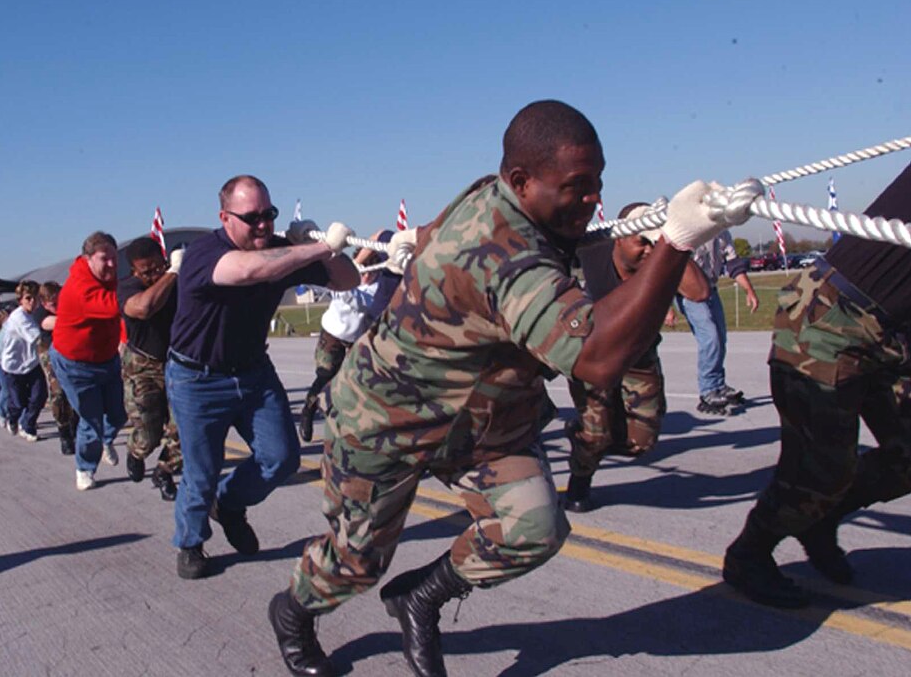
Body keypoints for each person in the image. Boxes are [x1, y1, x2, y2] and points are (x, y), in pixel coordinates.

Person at [268, 100, 757, 677]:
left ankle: (420, 599)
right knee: (354, 565)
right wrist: (676, 241)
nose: (593, 200)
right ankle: (292, 612)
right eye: (577, 187)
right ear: (522, 181)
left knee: (533, 529)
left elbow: (441, 231)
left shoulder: (494, 191)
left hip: (481, 423)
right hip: (386, 422)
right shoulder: (507, 257)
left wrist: (417, 242)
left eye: (598, 183)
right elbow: (597, 358)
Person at [722, 162, 911, 609]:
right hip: (830, 315)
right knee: (820, 469)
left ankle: (820, 518)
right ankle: (749, 554)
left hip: (893, 330)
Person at [168, 175, 359, 580]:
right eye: (251, 217)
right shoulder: (205, 253)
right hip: (197, 379)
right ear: (225, 217)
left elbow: (349, 281)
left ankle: (229, 504)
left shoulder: (280, 251)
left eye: (268, 214)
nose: (263, 225)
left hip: (253, 372)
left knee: (282, 458)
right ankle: (190, 542)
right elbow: (247, 271)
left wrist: (324, 251)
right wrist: (320, 246)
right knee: (202, 470)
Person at [563, 203, 710, 512]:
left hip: (639, 357)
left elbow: (699, 292)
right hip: (594, 355)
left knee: (641, 443)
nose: (648, 250)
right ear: (620, 238)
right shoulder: (594, 247)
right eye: (641, 241)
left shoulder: (661, 261)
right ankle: (580, 478)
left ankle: (589, 438)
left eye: (653, 242)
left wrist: (672, 241)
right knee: (595, 435)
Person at [298, 230, 402, 442]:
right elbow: (337, 287)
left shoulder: (376, 288)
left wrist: (346, 283)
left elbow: (362, 302)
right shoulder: (348, 276)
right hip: (333, 333)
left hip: (356, 338)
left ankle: (347, 424)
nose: (365, 277)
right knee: (325, 375)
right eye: (363, 272)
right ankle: (308, 410)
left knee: (355, 382)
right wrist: (350, 270)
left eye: (370, 273)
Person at [49, 231, 129, 491]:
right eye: (104, 258)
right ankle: (85, 468)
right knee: (91, 421)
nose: (112, 264)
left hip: (106, 359)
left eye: (114, 258)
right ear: (88, 259)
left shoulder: (105, 276)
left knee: (118, 415)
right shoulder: (79, 287)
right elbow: (117, 305)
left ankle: (105, 441)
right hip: (76, 365)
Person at [118, 237, 185, 501]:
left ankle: (165, 471)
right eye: (147, 272)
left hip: (176, 364)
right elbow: (145, 307)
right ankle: (136, 452)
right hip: (142, 367)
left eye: (159, 267)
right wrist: (172, 273)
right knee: (149, 434)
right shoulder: (128, 287)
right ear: (134, 272)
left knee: (184, 428)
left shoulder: (175, 280)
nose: (155, 275)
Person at [675, 230, 759, 414]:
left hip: (711, 290)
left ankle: (718, 385)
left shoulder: (722, 233)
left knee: (720, 338)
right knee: (710, 338)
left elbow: (734, 265)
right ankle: (708, 389)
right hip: (689, 295)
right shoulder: (688, 231)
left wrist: (749, 290)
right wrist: (667, 308)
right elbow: (669, 269)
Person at [37, 281, 80, 455]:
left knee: (77, 391)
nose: (58, 306)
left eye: (60, 301)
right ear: (44, 303)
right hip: (50, 352)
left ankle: (76, 426)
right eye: (53, 304)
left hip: (72, 352)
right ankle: (64, 432)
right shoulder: (41, 313)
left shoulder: (69, 307)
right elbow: (50, 323)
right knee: (59, 393)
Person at [1, 281, 47, 441]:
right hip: (14, 366)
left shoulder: (33, 315)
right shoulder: (19, 317)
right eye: (28, 298)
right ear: (20, 300)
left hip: (31, 364)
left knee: (39, 396)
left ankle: (28, 425)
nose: (32, 302)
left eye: (35, 298)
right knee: (18, 402)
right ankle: (12, 417)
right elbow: (37, 338)